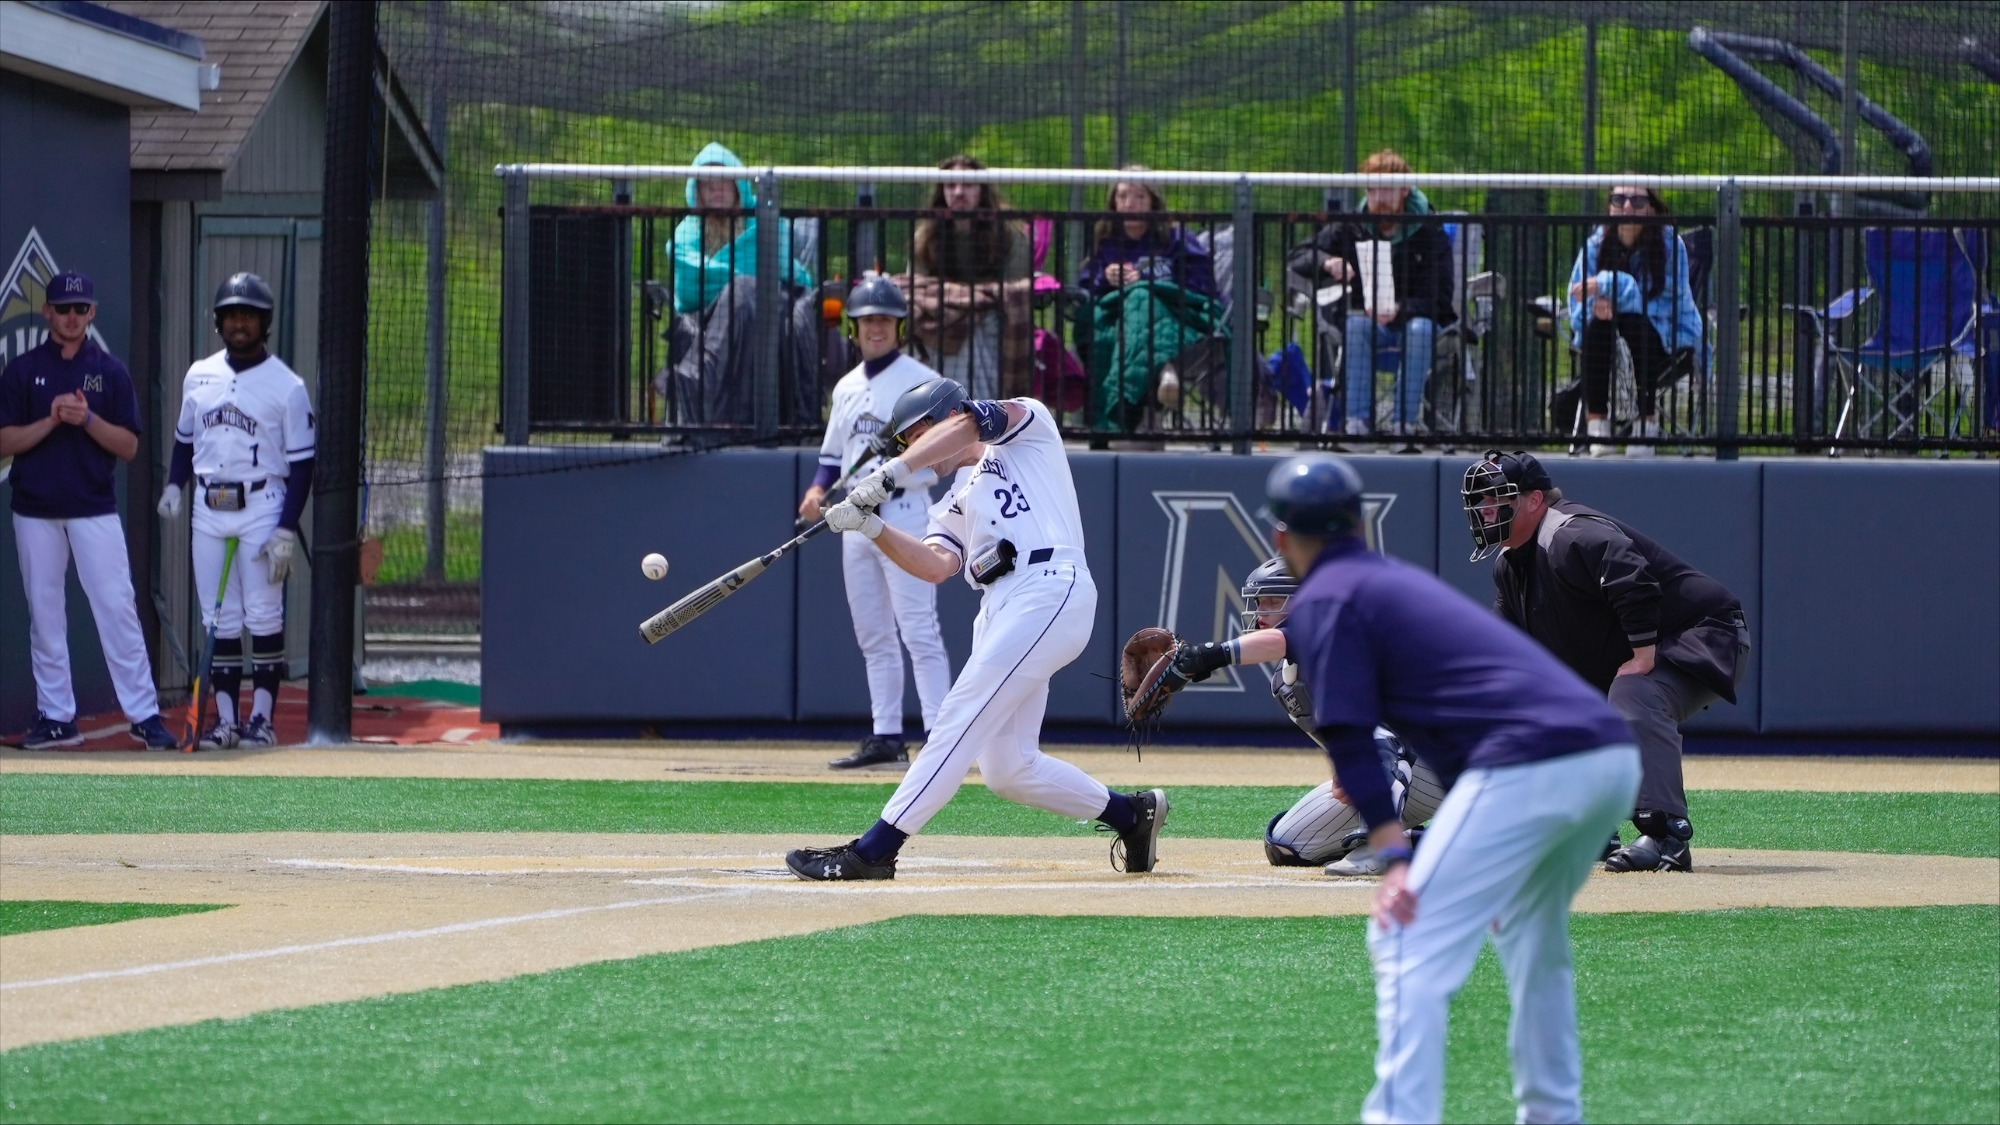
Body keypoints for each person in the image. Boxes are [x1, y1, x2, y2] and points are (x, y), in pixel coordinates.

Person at [1143, 454, 1638, 1125]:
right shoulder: (1390, 579)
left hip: (1527, 763)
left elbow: (1352, 737)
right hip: (1607, 753)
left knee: (1405, 937)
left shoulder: (1328, 598)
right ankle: (1553, 1114)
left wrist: (1394, 853)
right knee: (1532, 937)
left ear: (1283, 539)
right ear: (1356, 524)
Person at [785, 377, 1167, 880]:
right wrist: (870, 525)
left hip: (1051, 586)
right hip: (1000, 609)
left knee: (958, 715)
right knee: (1008, 768)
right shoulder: (952, 502)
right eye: (905, 442)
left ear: (946, 417)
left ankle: (875, 850)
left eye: (917, 434)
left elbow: (969, 422)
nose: (913, 448)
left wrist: (894, 471)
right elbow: (937, 564)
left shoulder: (1029, 427)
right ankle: (1130, 815)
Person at [1461, 450, 1749, 873]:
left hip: (1708, 634)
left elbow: (1633, 577)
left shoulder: (1569, 533)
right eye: (1480, 501)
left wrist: (1643, 655)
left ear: (1534, 500)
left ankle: (1666, 832)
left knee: (1636, 689)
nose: (1485, 509)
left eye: (1496, 498)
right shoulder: (1510, 564)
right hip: (1640, 647)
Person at [0, 271, 175, 750]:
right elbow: (5, 441)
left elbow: (129, 446)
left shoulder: (111, 371)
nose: (72, 317)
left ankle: (144, 715)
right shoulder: (22, 370)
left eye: (81, 309)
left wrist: (87, 418)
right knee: (45, 613)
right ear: (48, 312)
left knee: (117, 607)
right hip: (34, 509)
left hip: (93, 507)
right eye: (64, 308)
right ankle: (57, 718)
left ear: (92, 312)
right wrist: (52, 419)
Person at [800, 274, 954, 770]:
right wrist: (817, 489)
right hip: (854, 519)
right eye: (868, 321)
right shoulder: (847, 385)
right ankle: (885, 735)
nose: (876, 328)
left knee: (919, 631)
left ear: (899, 325)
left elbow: (942, 453)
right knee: (873, 635)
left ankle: (940, 737)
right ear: (854, 328)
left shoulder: (921, 379)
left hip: (904, 512)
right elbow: (832, 455)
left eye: (885, 319)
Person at [156, 273, 316, 750]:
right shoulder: (198, 374)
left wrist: (287, 527)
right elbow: (186, 439)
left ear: (264, 323)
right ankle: (226, 720)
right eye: (231, 314)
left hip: (262, 504)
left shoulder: (287, 386)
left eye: (248, 315)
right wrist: (173, 485)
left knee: (263, 615)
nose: (239, 322)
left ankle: (262, 720)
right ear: (218, 321)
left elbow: (304, 465)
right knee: (218, 619)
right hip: (209, 506)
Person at [1241, 557, 1449, 877]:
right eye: (1259, 602)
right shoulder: (1286, 683)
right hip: (1402, 774)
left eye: (1273, 601)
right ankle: (1431, 843)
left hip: (1450, 766)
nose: (1262, 613)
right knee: (1286, 847)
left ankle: (1380, 848)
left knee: (1383, 742)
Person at [1284, 149, 1456, 447]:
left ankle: (1404, 424)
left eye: (1387, 188)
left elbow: (1439, 300)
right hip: (1369, 325)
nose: (1379, 197)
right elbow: (1298, 255)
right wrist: (1327, 262)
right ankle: (1357, 425)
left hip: (1416, 327)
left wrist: (1399, 310)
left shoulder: (1431, 231)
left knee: (1420, 329)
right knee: (1356, 326)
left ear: (1405, 189)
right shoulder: (1352, 226)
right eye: (1372, 188)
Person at [659, 142, 819, 428]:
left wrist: (738, 284)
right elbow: (688, 290)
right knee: (742, 291)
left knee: (745, 292)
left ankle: (694, 378)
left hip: (770, 309)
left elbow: (776, 273)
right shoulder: (686, 233)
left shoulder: (768, 224)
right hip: (708, 316)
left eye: (724, 181)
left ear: (738, 186)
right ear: (697, 192)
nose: (717, 189)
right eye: (708, 184)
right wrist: (740, 284)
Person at [1564, 182, 1706, 457]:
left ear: (1652, 209)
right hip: (1607, 340)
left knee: (1634, 322)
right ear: (1610, 207)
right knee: (1598, 324)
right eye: (1619, 200)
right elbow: (1577, 296)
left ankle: (1646, 422)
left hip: (1663, 334)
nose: (1627, 207)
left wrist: (1612, 286)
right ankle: (1598, 427)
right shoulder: (1595, 245)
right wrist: (1597, 307)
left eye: (1638, 201)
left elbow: (1667, 303)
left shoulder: (1669, 245)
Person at [1079, 168, 1222, 434]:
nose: (1129, 203)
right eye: (1122, 196)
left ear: (1153, 201)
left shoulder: (1176, 238)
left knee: (1141, 295)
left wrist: (1148, 280)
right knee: (1097, 328)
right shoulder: (1106, 241)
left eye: (1139, 196)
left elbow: (1201, 285)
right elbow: (1086, 287)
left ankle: (1126, 411)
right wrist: (1105, 278)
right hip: (1119, 320)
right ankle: (1151, 383)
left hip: (1178, 316)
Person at [905, 155, 1035, 400]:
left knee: (975, 334)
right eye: (951, 185)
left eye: (968, 185)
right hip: (940, 315)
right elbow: (917, 284)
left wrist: (973, 300)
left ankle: (980, 407)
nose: (958, 192)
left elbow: (1017, 287)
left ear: (982, 190)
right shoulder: (925, 236)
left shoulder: (1009, 233)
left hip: (991, 316)